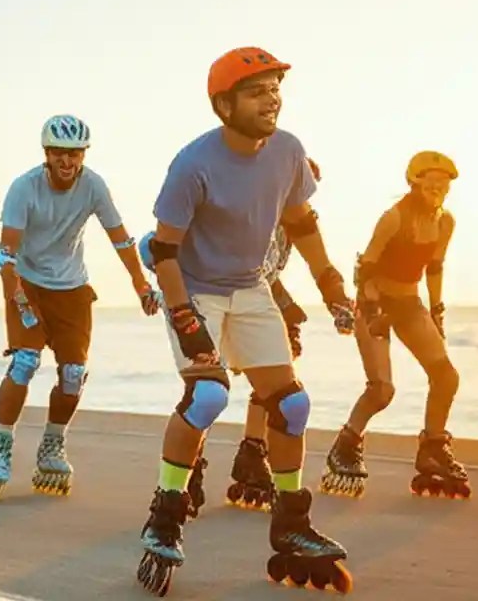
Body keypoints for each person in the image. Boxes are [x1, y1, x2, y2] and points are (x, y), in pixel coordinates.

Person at [135, 48, 356, 596]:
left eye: (275, 88)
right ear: (224, 105)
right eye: (257, 92)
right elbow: (164, 250)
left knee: (291, 404)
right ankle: (165, 515)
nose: (271, 99)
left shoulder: (289, 152)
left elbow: (302, 224)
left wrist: (331, 287)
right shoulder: (193, 164)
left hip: (251, 287)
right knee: (208, 397)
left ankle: (292, 523)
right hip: (194, 288)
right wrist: (184, 317)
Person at [0, 114, 160, 502]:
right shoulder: (24, 188)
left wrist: (141, 284)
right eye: (59, 153)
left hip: (72, 288)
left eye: (75, 154)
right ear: (47, 154)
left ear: (83, 155)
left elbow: (120, 238)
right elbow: (6, 252)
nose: (67, 162)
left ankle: (52, 446)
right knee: (25, 363)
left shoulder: (93, 185)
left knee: (74, 374)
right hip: (27, 282)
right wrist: (17, 295)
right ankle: (1, 444)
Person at [142, 158, 324, 517]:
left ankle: (252, 452)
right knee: (209, 392)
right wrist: (167, 293)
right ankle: (186, 473)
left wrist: (289, 309)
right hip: (199, 298)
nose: (299, 200)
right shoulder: (242, 211)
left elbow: (263, 275)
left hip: (247, 300)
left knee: (280, 388)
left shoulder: (291, 227)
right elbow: (154, 246)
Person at [320, 151, 467, 500]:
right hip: (375, 301)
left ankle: (433, 447)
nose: (438, 188)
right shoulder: (394, 218)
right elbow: (366, 267)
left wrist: (437, 312)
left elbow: (434, 267)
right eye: (431, 182)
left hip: (409, 304)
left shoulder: (445, 222)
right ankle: (346, 444)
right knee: (382, 390)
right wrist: (371, 310)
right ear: (415, 183)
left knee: (446, 376)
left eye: (443, 183)